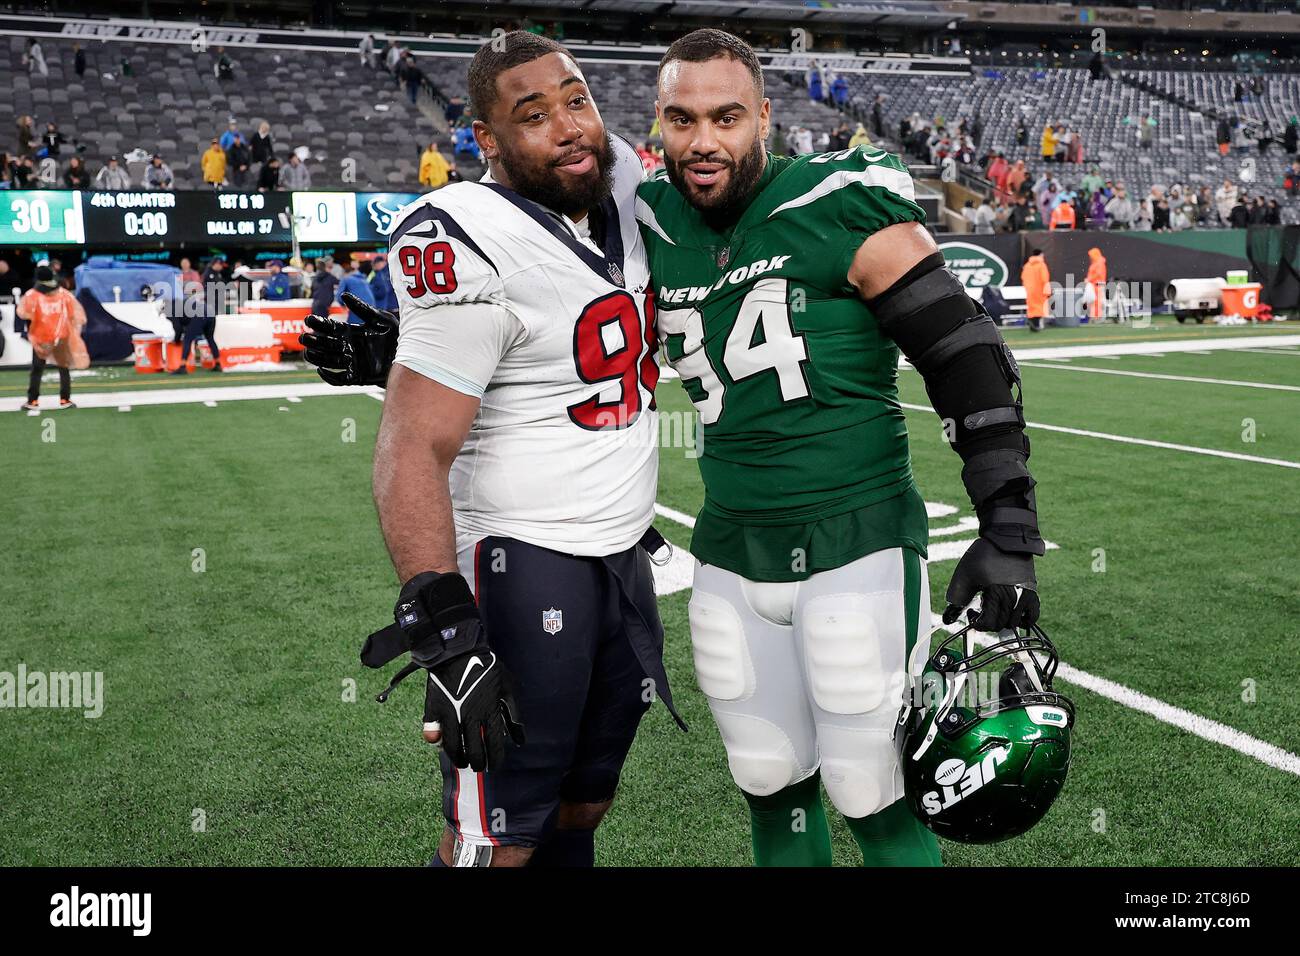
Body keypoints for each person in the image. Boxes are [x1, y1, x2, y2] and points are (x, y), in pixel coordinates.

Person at [307, 28, 1052, 869]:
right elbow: (541, 344)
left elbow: (966, 355)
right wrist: (400, 351)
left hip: (855, 537)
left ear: (765, 115)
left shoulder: (818, 200)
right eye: (681, 119)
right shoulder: (648, 215)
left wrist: (1009, 526)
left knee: (868, 787)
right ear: (655, 126)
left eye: (727, 117)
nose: (704, 141)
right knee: (770, 782)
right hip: (727, 549)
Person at [301, 31, 678, 868]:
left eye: (575, 100)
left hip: (621, 553)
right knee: (500, 833)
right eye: (532, 115)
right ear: (487, 138)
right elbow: (413, 445)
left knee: (585, 803)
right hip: (521, 553)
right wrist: (443, 622)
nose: (568, 126)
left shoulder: (621, 182)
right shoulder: (463, 232)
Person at [18, 265, 88, 410]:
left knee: (37, 369)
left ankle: (32, 400)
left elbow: (24, 314)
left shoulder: (32, 295)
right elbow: (75, 314)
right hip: (61, 337)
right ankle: (65, 399)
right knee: (63, 368)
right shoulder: (63, 293)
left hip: (41, 337)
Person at [173, 290, 221, 374]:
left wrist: (176, 340)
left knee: (187, 339)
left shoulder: (173, 310)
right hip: (210, 311)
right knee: (210, 338)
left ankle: (182, 366)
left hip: (200, 314)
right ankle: (218, 364)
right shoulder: (181, 305)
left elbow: (178, 329)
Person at [335, 258, 375, 323]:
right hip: (372, 310)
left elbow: (339, 297)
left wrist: (343, 305)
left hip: (358, 310)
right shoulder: (364, 280)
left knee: (353, 329)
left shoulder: (345, 279)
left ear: (344, 273)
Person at [1021, 248, 1051, 332]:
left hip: (1029, 289)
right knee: (1039, 308)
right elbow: (1044, 279)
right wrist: (1047, 291)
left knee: (1032, 307)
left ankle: (1032, 322)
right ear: (1041, 254)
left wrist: (1027, 286)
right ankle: (1036, 325)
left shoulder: (1027, 265)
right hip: (1039, 289)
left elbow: (1023, 277)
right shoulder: (1041, 265)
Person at [1084, 247, 1106, 321]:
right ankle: (1094, 316)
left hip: (1097, 284)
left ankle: (1097, 317)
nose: (1090, 257)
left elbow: (1098, 274)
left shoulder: (1099, 263)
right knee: (1094, 301)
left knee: (1097, 301)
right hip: (1094, 284)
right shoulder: (1096, 262)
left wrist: (1089, 279)